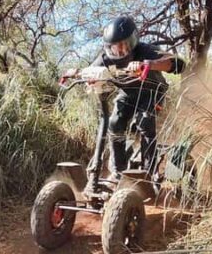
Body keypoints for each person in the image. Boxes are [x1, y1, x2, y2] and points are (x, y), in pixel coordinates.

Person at [78, 15, 186, 181]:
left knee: (145, 122)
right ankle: (119, 172)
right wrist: (79, 74)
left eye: (123, 46)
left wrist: (149, 64)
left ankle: (147, 173)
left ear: (133, 41)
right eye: (114, 48)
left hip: (152, 91)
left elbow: (177, 64)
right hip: (128, 93)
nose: (119, 51)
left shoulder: (144, 50)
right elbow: (91, 72)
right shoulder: (105, 59)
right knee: (114, 124)